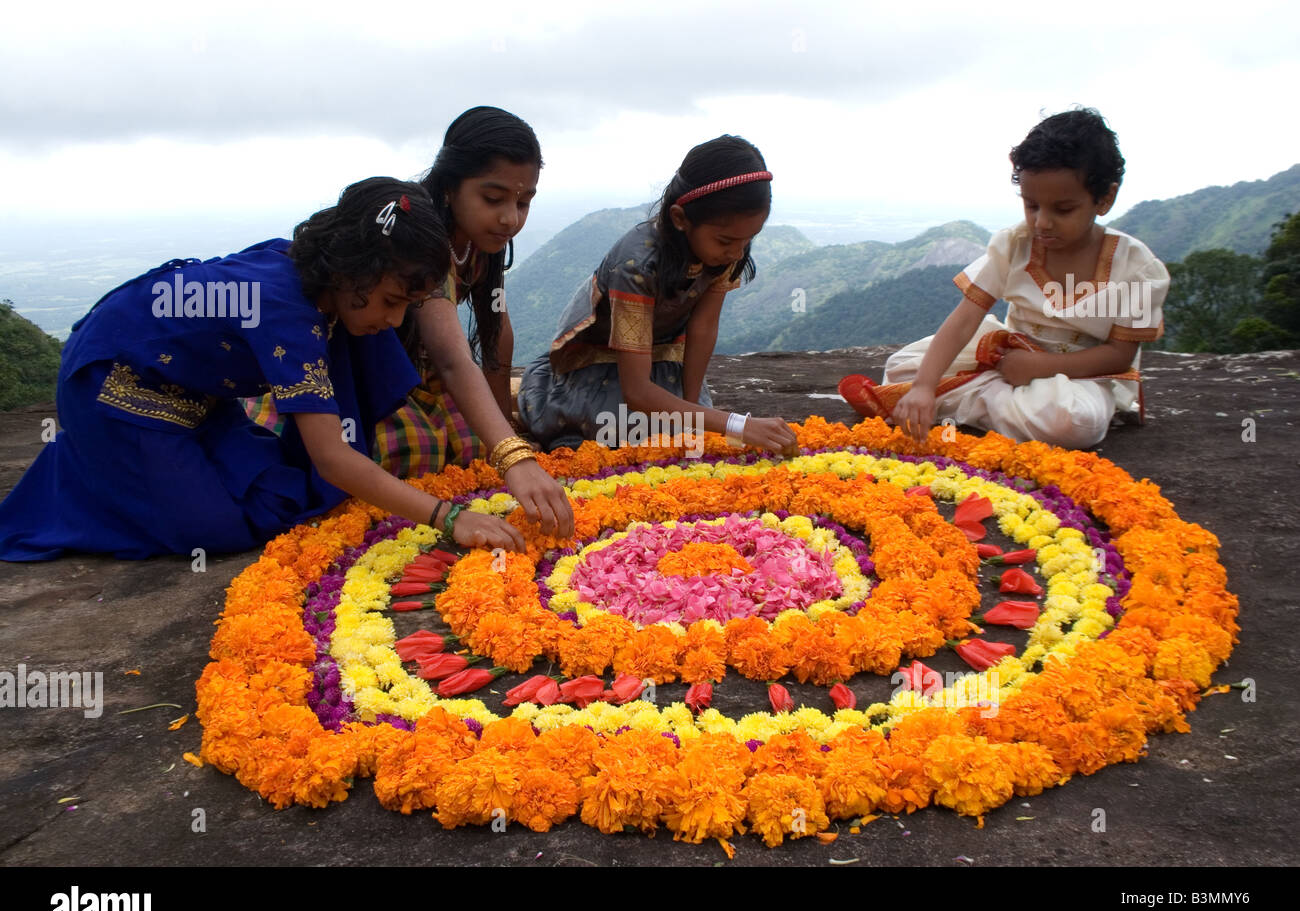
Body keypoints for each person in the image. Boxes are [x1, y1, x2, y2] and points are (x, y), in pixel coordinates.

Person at [0, 177, 526, 561]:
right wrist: (449, 517)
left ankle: (129, 469)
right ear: (353, 269)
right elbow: (331, 458)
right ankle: (83, 473)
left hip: (203, 398)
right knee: (217, 530)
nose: (392, 321)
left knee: (288, 491)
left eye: (404, 307)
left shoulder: (320, 282)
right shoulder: (285, 313)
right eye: (390, 300)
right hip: (117, 386)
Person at [247, 106, 573, 538]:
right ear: (450, 187)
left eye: (524, 201)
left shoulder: (481, 244)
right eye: (493, 199)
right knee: (416, 452)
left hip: (423, 380)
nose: (510, 218)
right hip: (363, 379)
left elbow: (496, 335)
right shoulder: (421, 244)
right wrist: (513, 457)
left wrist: (506, 438)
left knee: (475, 449)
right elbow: (453, 359)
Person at [839, 108, 1169, 449]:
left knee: (1075, 422)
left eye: (1063, 209)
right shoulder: (1014, 244)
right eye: (1031, 205)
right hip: (1007, 355)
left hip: (1080, 376)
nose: (1042, 222)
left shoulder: (1139, 267)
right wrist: (923, 386)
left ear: (1105, 199)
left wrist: (1039, 367)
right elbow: (966, 318)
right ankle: (981, 400)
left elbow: (1119, 356)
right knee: (904, 368)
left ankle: (972, 399)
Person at [517, 134, 798, 455]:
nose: (736, 253)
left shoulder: (724, 251)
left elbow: (703, 328)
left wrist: (693, 411)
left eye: (747, 240)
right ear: (680, 219)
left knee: (682, 434)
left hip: (661, 360)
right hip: (601, 365)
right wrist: (737, 424)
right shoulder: (637, 265)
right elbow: (637, 393)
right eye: (725, 241)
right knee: (619, 430)